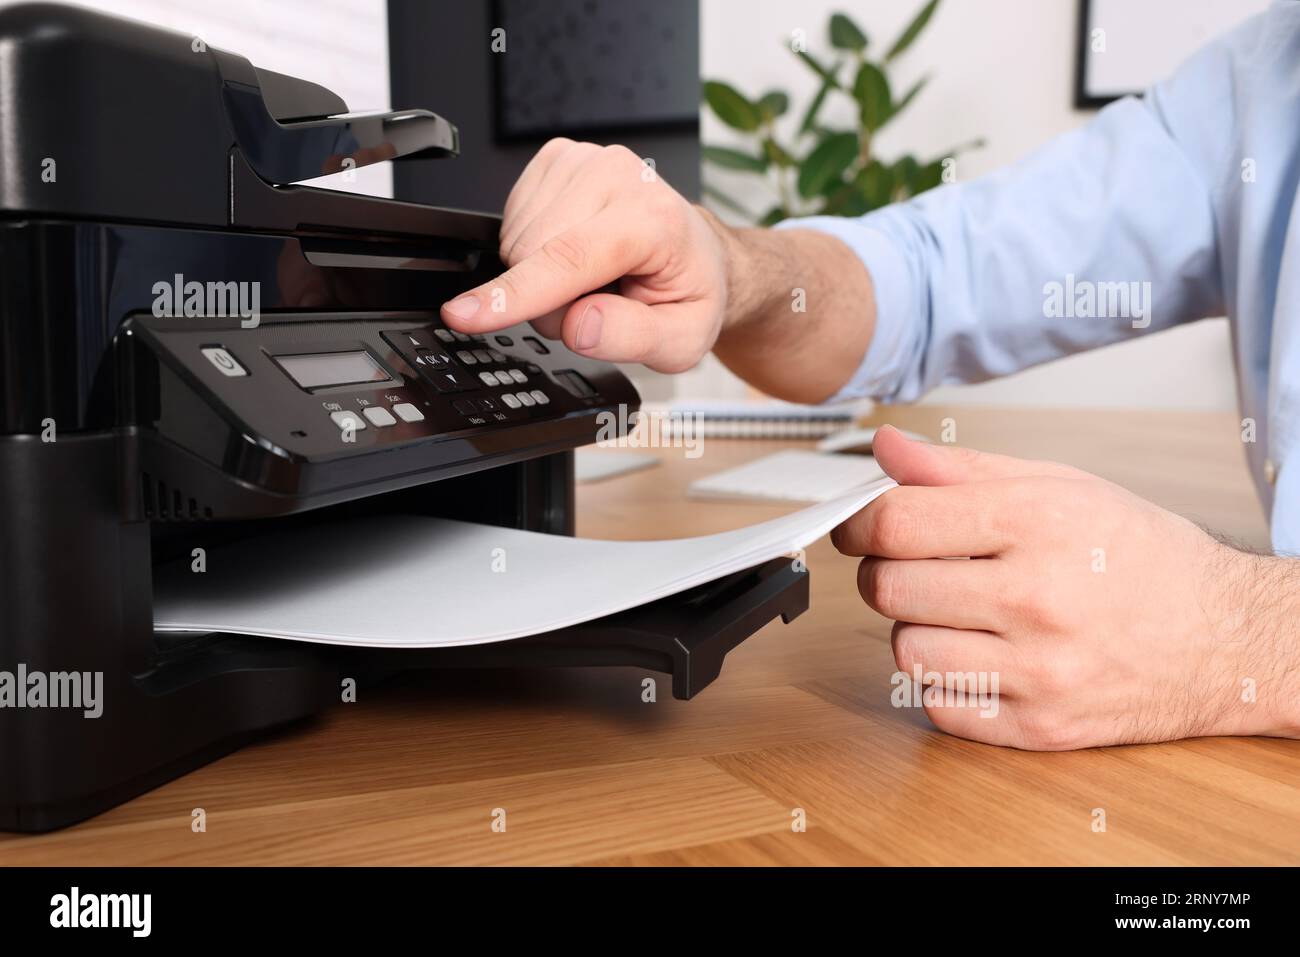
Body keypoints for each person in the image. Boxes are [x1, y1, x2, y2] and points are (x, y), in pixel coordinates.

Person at [440, 7, 1300, 749]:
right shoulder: (1259, 78)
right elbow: (930, 279)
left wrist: (1235, 632)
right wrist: (733, 266)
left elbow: (1237, 638)